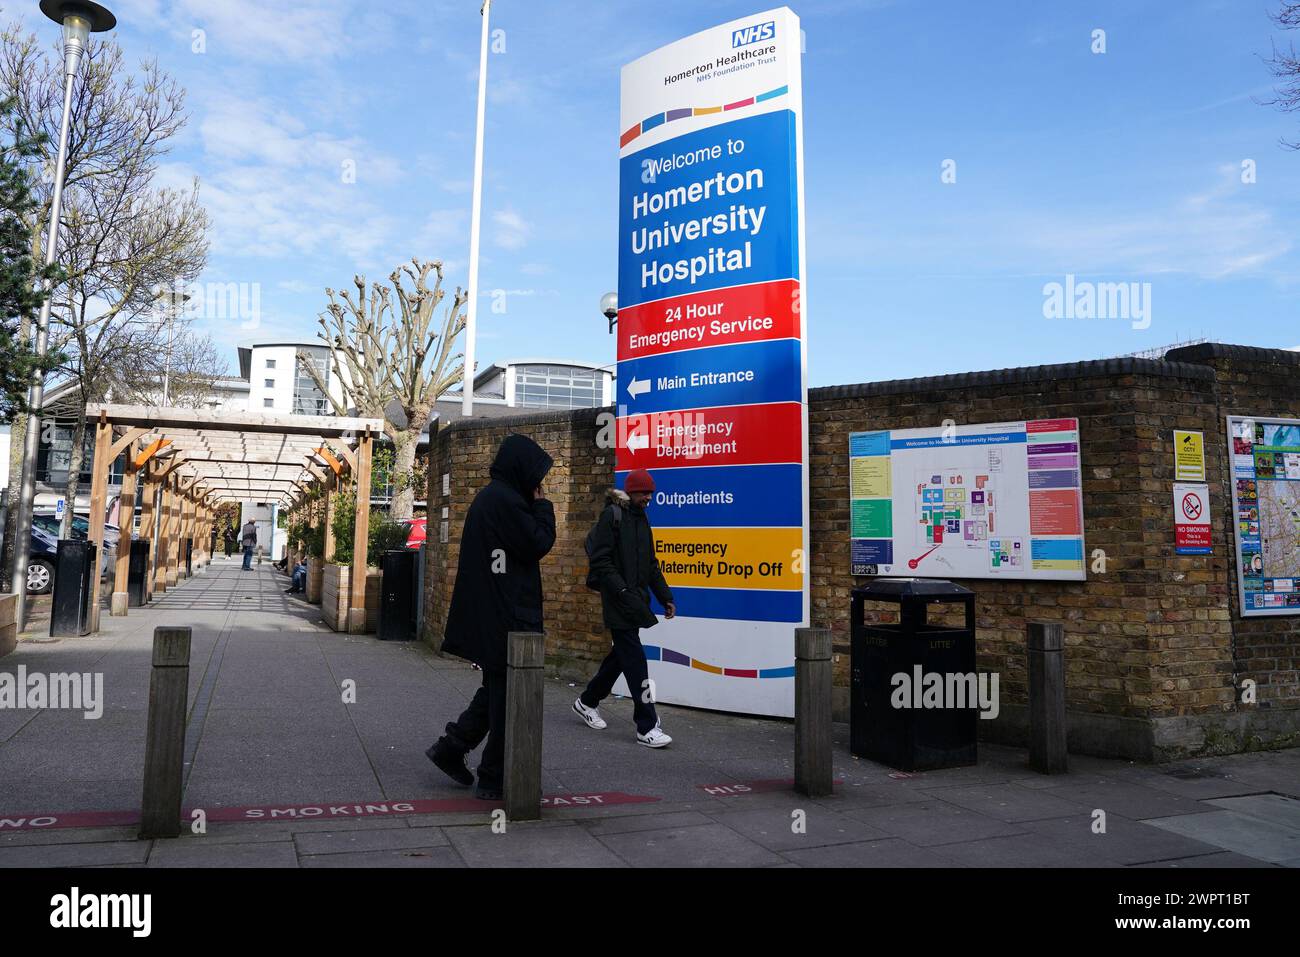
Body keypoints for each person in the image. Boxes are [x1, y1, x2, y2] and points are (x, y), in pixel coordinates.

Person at [427, 434, 556, 800]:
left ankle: (451, 747)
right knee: (506, 701)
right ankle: (493, 777)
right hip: (506, 618)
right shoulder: (506, 501)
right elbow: (537, 544)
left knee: (496, 693)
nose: (538, 485)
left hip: (496, 615)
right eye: (536, 477)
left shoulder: (494, 497)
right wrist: (543, 508)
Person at [573, 469, 675, 748]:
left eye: (650, 493)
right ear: (631, 492)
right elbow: (601, 561)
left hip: (635, 600)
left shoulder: (642, 518)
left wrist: (665, 596)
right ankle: (647, 726)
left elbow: (651, 564)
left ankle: (587, 701)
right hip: (618, 600)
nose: (648, 497)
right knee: (635, 661)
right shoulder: (612, 516)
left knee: (621, 656)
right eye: (643, 493)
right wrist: (620, 590)